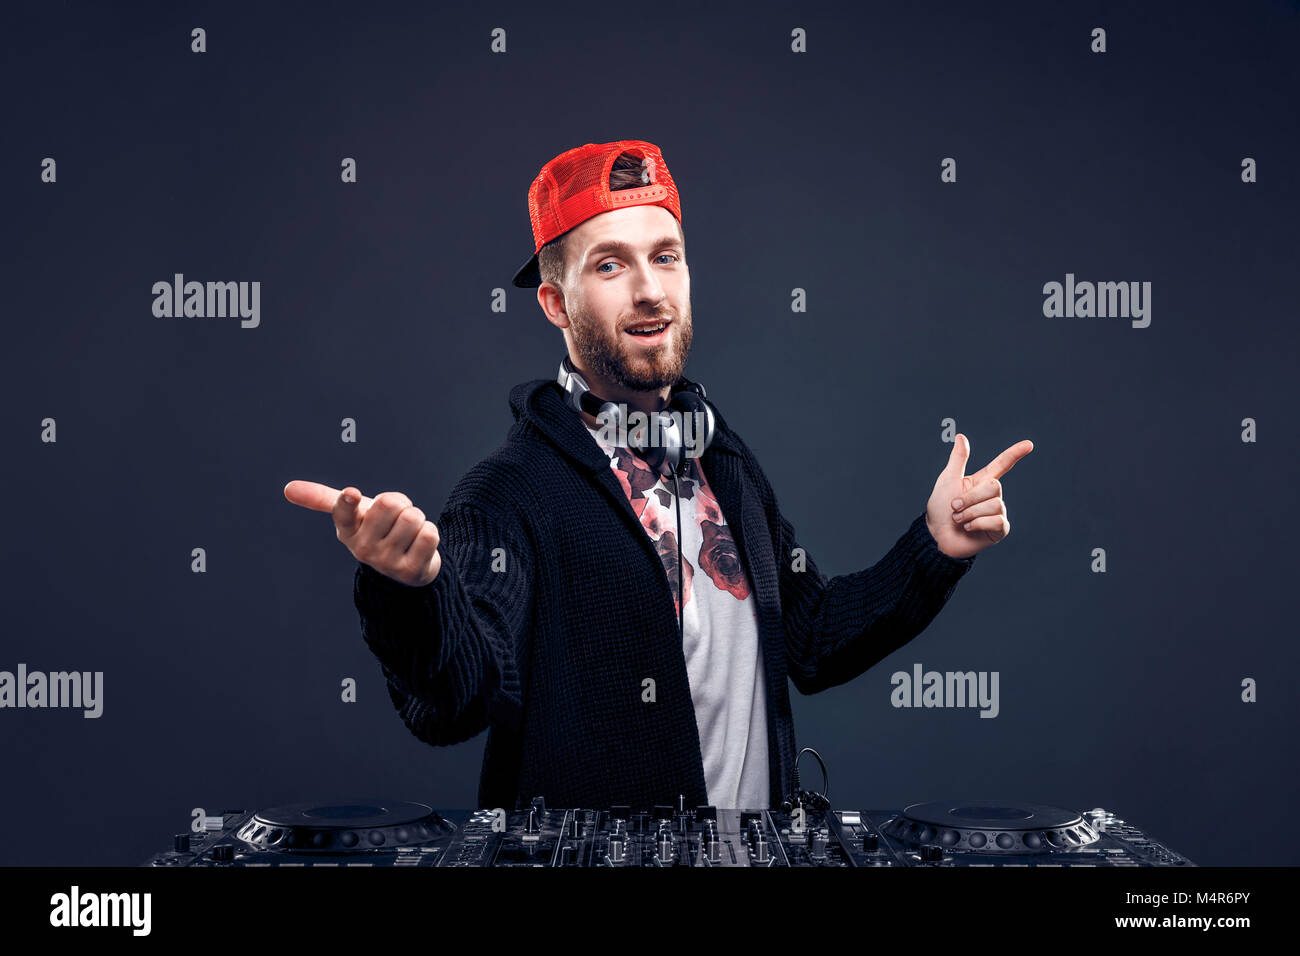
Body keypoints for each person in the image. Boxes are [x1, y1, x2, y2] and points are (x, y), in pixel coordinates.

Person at [284, 139, 1033, 812]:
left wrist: (933, 547)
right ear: (556, 303)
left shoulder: (723, 460)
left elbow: (810, 638)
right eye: (610, 264)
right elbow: (456, 700)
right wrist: (407, 591)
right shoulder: (508, 494)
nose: (650, 290)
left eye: (665, 255)